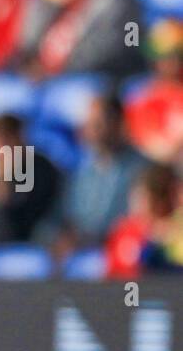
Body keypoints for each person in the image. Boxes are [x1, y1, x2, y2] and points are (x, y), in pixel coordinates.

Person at [0, 113, 64, 256]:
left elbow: (20, 229)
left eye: (4, 142)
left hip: (27, 252)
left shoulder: (41, 170)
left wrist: (2, 185)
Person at [55, 94, 149, 255]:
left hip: (122, 251)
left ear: (118, 124)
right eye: (89, 123)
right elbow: (69, 216)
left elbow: (137, 221)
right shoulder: (82, 171)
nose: (91, 130)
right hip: (82, 251)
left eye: (98, 123)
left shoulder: (142, 169)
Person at [105, 163, 183, 275]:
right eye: (134, 197)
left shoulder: (177, 232)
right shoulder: (124, 231)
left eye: (142, 198)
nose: (135, 204)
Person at [125, 18, 183, 165]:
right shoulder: (143, 98)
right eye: (164, 57)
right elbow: (145, 142)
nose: (171, 63)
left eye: (176, 56)